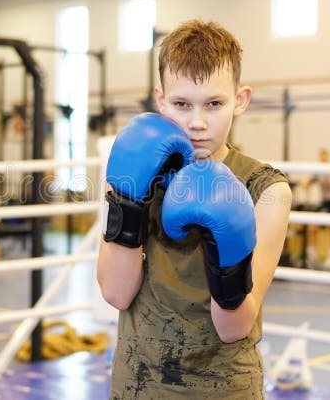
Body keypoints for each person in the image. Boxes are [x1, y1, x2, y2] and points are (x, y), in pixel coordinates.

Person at [97, 20, 292, 399]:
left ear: (241, 99)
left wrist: (224, 244)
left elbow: (233, 327)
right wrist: (129, 202)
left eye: (214, 104)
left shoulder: (266, 190)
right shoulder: (135, 169)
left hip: (224, 389)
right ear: (160, 99)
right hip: (136, 384)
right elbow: (116, 293)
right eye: (181, 104)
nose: (197, 123)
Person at [301, 148, 330, 269]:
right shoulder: (318, 170)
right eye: (321, 157)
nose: (323, 159)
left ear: (328, 157)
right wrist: (305, 182)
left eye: (324, 157)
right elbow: (307, 182)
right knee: (313, 227)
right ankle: (311, 256)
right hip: (324, 201)